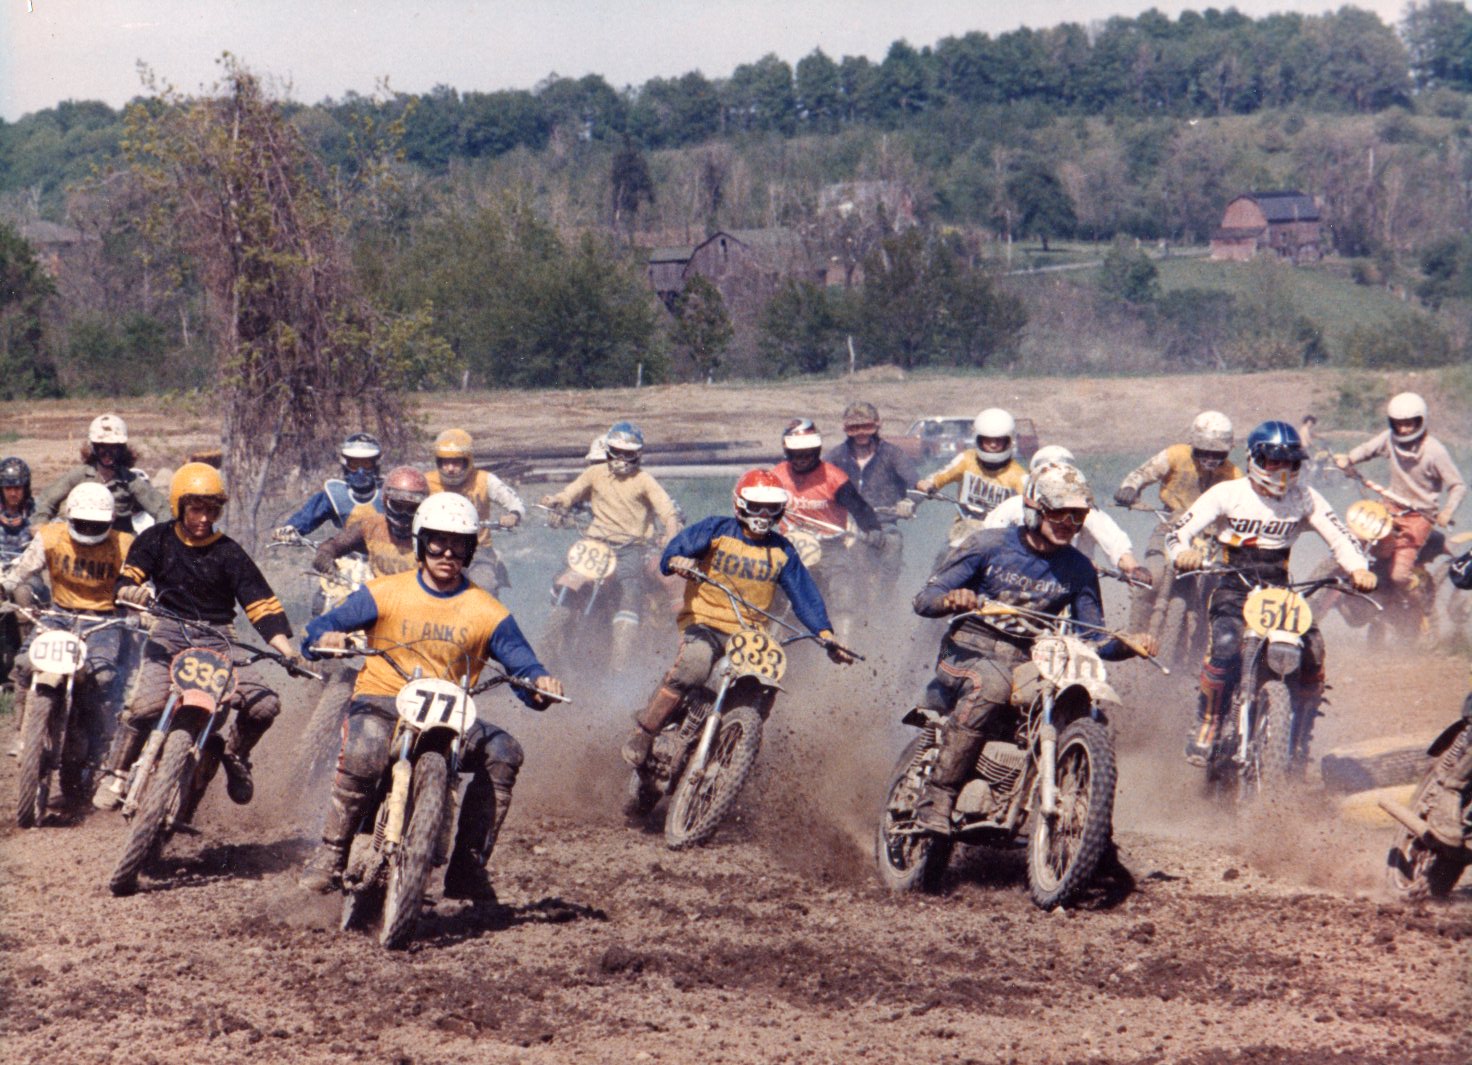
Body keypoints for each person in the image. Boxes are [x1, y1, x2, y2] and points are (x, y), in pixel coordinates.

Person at [298, 493, 564, 900]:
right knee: (366, 748)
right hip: (383, 700)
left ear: (471, 550)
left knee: (505, 751)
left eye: (459, 544)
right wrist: (326, 637)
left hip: (451, 713)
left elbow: (523, 664)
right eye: (438, 542)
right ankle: (331, 854)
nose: (447, 553)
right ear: (421, 543)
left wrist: (541, 683)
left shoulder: (487, 611)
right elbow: (322, 627)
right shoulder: (383, 591)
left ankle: (468, 867)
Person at [911, 464, 1157, 834]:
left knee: (1082, 705)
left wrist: (1130, 644)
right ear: (1035, 508)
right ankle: (938, 796)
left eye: (1078, 516)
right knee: (991, 686)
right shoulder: (987, 544)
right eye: (1059, 512)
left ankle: (1087, 827)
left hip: (1031, 659)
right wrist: (953, 598)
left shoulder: (1079, 568)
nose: (1069, 523)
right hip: (969, 647)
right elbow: (924, 599)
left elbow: (1093, 637)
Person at [620, 469, 853, 811]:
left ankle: (731, 749)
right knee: (696, 665)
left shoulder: (782, 550)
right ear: (741, 504)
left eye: (770, 508)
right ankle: (645, 731)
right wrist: (679, 561)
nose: (763, 516)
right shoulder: (716, 529)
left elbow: (804, 594)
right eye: (756, 507)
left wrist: (825, 634)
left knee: (764, 688)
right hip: (705, 622)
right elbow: (676, 549)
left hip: (750, 635)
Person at [94, 463, 302, 810]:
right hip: (169, 631)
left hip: (219, 639)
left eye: (212, 509)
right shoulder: (156, 539)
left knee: (265, 704)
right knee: (144, 707)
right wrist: (133, 594)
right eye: (196, 509)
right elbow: (126, 581)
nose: (204, 518)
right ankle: (115, 773)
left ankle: (235, 754)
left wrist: (287, 650)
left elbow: (260, 604)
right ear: (179, 506)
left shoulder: (229, 552)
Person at [1167, 421, 1376, 766]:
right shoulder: (1227, 493)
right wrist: (1182, 555)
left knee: (1313, 652)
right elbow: (1178, 532)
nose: (1281, 470)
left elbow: (1342, 538)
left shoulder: (1305, 498)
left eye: (1289, 463)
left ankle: (1299, 737)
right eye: (1272, 461)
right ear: (1254, 459)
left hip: (1280, 589)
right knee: (1225, 644)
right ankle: (1208, 723)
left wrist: (1359, 568)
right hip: (1233, 583)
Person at [0, 484, 134, 795]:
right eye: (82, 522)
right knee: (23, 662)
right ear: (70, 517)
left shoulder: (124, 545)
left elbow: (140, 578)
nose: (88, 529)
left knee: (103, 677)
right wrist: (6, 586)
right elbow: (21, 570)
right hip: (58, 613)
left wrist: (140, 598)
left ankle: (103, 746)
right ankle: (22, 733)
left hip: (102, 619)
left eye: (95, 523)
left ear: (110, 520)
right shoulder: (50, 536)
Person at [539, 421, 682, 663]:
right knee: (566, 578)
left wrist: (670, 530)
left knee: (630, 591)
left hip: (630, 547)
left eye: (629, 454)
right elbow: (571, 492)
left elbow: (667, 510)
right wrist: (557, 501)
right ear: (608, 451)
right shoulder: (595, 473)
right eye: (618, 452)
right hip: (595, 543)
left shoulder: (644, 480)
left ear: (638, 454)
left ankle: (620, 662)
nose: (623, 459)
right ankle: (546, 652)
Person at [1333, 392, 1465, 612]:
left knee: (1398, 575)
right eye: (1399, 424)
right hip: (1390, 505)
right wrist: (1349, 458)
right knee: (1354, 539)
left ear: (1420, 421)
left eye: (1409, 424)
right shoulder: (1389, 439)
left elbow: (1458, 485)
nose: (1404, 429)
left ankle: (1421, 609)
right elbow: (1367, 449)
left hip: (1420, 515)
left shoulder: (1434, 451)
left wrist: (1448, 511)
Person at [1114, 411, 1241, 632]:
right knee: (1150, 580)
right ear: (1193, 445)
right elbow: (1143, 473)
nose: (1210, 459)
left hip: (1210, 538)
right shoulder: (1175, 455)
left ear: (1229, 450)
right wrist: (1129, 488)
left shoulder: (1234, 475)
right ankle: (1133, 638)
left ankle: (1208, 647)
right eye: (1204, 451)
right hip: (1170, 525)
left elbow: (1245, 506)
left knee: (1216, 593)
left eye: (1217, 453)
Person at [983, 446, 1150, 583]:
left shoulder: (1086, 510)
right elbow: (989, 536)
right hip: (1017, 577)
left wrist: (1132, 567)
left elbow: (1113, 539)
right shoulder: (1014, 505)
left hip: (1071, 579)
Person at [824, 402, 919, 592]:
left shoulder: (893, 454)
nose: (861, 432)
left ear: (877, 425)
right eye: (854, 428)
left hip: (885, 524)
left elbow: (916, 483)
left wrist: (909, 501)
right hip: (847, 526)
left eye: (866, 426)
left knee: (893, 545)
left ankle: (886, 595)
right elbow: (818, 484)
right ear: (845, 429)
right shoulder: (835, 456)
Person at [425, 428, 525, 592]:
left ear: (468, 460)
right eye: (445, 462)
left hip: (477, 550)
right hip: (436, 548)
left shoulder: (484, 479)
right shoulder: (426, 481)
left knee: (485, 587)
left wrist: (513, 516)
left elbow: (516, 502)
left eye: (456, 462)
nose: (450, 468)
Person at [35, 414, 171, 533]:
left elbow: (162, 508)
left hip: (118, 544)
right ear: (93, 447)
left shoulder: (130, 481)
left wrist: (159, 538)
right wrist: (40, 527)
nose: (108, 453)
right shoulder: (79, 475)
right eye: (102, 447)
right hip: (82, 537)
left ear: (122, 449)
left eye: (114, 448)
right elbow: (46, 500)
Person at [916, 407, 1027, 546]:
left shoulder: (1019, 475)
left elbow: (1029, 504)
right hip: (964, 528)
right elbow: (939, 477)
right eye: (987, 440)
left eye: (998, 440)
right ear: (978, 440)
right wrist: (926, 486)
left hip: (1000, 535)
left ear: (1008, 441)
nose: (993, 445)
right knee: (945, 557)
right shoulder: (966, 459)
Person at [273, 432, 385, 539]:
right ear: (345, 465)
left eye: (366, 464)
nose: (360, 471)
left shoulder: (388, 492)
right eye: (354, 464)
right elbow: (309, 515)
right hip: (348, 554)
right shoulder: (336, 495)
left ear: (376, 464)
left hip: (389, 554)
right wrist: (291, 529)